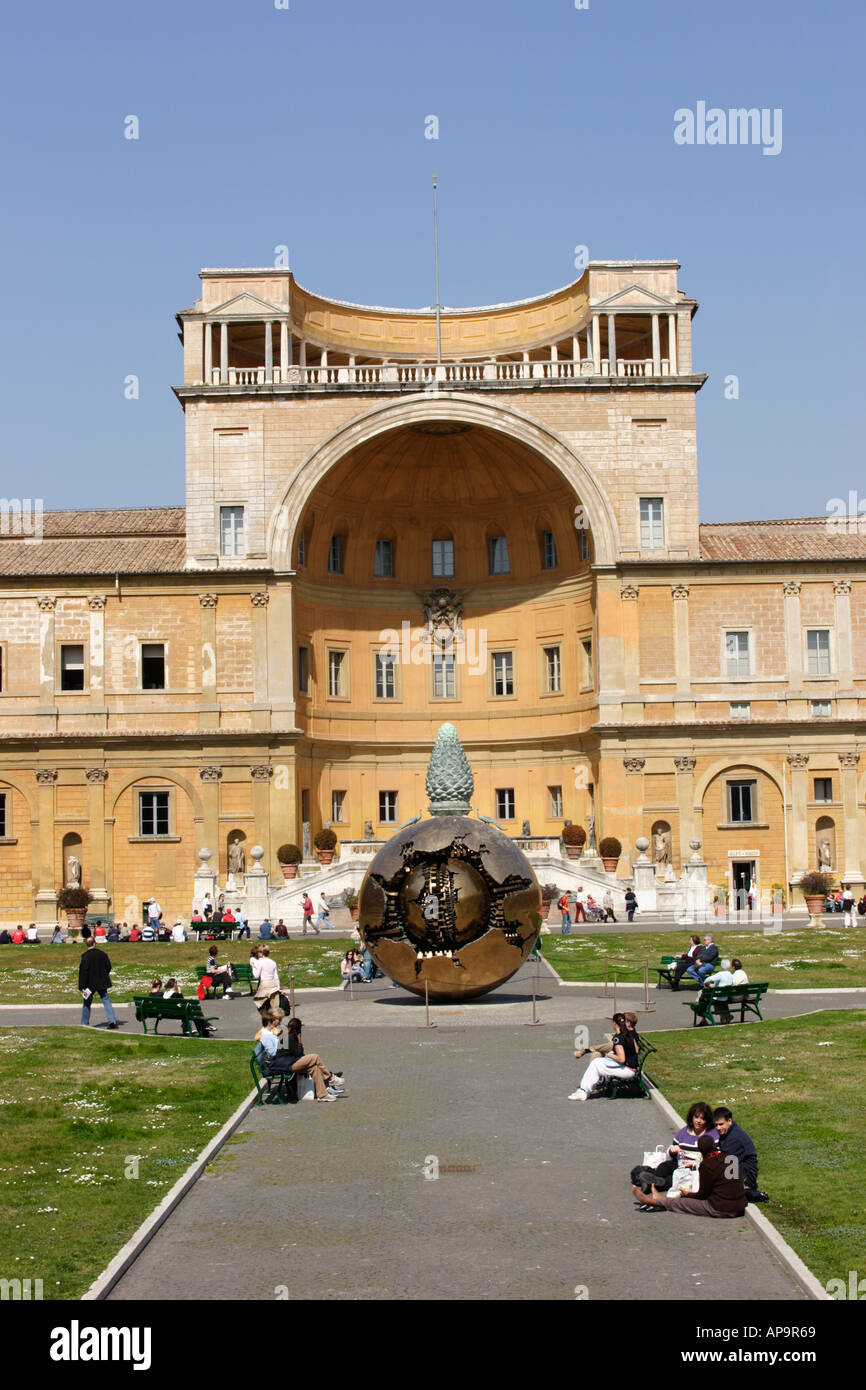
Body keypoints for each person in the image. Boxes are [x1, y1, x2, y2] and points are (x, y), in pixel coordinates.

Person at [636, 1133, 746, 1218]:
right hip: (739, 1205)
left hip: (721, 1208)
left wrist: (686, 1195)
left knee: (684, 1203)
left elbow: (702, 1195)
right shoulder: (730, 1157)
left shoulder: (707, 1165)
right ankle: (661, 1198)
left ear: (701, 1151)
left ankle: (655, 1201)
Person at [630, 1101, 718, 1194]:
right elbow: (671, 1152)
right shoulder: (684, 1132)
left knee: (676, 1178)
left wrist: (695, 1163)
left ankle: (651, 1183)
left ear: (707, 1120)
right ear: (692, 1117)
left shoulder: (712, 1135)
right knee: (665, 1166)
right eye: (696, 1117)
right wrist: (672, 1151)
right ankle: (652, 1180)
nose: (698, 1121)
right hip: (680, 1163)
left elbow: (714, 1158)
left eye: (702, 1119)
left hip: (696, 1168)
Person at [568, 1013, 637, 1100]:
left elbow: (622, 1059)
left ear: (615, 1024)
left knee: (596, 1064)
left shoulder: (618, 1038)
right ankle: (584, 1090)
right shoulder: (628, 1034)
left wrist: (610, 1055)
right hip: (631, 1066)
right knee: (596, 1062)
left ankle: (584, 1091)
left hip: (627, 1069)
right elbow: (636, 1049)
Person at [284, 1017, 345, 1102]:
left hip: (291, 1062)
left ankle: (322, 1095)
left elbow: (299, 1055)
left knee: (315, 1068)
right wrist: (300, 1041)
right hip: (288, 1065)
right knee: (315, 1057)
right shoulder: (289, 1038)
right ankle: (330, 1078)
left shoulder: (288, 1036)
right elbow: (298, 1053)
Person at [713, 1106, 766, 1201]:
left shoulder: (735, 1138)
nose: (718, 1128)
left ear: (729, 1121)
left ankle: (744, 1190)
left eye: (721, 1124)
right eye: (716, 1125)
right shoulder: (727, 1133)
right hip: (736, 1169)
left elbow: (722, 1161)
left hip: (746, 1175)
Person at [78, 936, 118, 1029]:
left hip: (90, 983)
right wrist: (104, 974)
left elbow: (83, 972)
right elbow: (108, 966)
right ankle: (111, 1020)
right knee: (105, 999)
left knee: (87, 1002)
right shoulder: (102, 954)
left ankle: (84, 1023)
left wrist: (82, 986)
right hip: (101, 980)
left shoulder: (85, 956)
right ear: (94, 943)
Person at [253, 943, 281, 1012]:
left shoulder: (260, 962)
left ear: (261, 953)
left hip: (264, 984)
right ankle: (273, 1019)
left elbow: (256, 975)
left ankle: (266, 1018)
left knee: (260, 1004)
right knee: (274, 1007)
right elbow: (276, 976)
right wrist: (278, 987)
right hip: (273, 984)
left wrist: (253, 967)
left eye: (259, 952)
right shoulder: (273, 962)